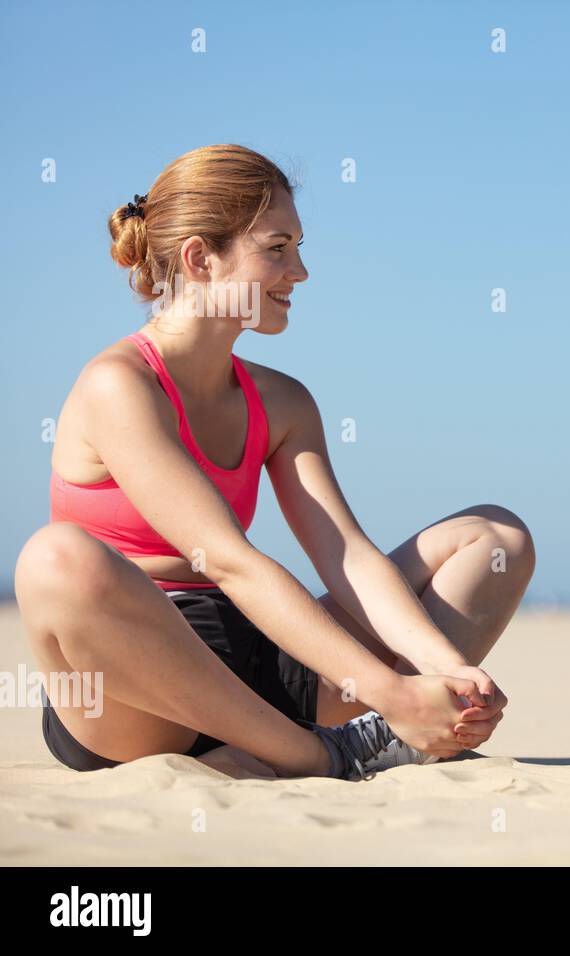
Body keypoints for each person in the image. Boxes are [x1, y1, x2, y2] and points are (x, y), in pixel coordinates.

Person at [15, 144, 535, 780]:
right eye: (278, 248)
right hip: (138, 697)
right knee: (54, 560)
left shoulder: (283, 401)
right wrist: (389, 692)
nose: (302, 272)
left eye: (299, 247)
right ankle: (319, 753)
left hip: (256, 661)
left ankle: (337, 740)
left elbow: (345, 555)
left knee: (493, 537)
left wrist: (438, 664)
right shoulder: (118, 385)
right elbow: (230, 561)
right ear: (201, 259)